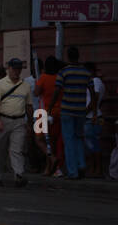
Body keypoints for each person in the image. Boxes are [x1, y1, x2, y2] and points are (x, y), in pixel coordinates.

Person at [51, 46, 94, 179]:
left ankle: (73, 171)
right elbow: (93, 94)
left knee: (68, 141)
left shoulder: (64, 72)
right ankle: (81, 165)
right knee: (79, 139)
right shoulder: (86, 73)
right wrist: (89, 108)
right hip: (80, 111)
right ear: (78, 56)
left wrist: (50, 107)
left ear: (68, 57)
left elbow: (57, 91)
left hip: (67, 111)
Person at [0, 57, 34, 187]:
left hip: (19, 121)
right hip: (3, 120)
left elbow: (28, 106)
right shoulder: (0, 85)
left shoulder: (25, 86)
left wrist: (30, 123)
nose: (16, 71)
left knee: (17, 149)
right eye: (14, 69)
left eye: (18, 69)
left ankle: (18, 175)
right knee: (0, 150)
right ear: (8, 69)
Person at [33, 56, 61, 175]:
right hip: (58, 112)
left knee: (39, 139)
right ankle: (48, 169)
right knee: (52, 141)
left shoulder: (43, 78)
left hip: (43, 112)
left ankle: (52, 158)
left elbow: (36, 93)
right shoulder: (59, 78)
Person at [84, 62, 106, 177]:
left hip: (91, 118)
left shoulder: (95, 82)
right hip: (93, 116)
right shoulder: (97, 82)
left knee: (93, 145)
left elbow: (95, 99)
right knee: (92, 145)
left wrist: (85, 113)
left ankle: (97, 169)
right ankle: (94, 169)